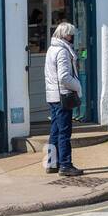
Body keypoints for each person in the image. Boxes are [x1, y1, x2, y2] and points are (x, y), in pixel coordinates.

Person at [44, 21, 83, 177]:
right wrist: (78, 86)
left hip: (52, 96)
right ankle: (65, 165)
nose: (72, 37)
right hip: (63, 96)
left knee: (55, 131)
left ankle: (52, 164)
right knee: (64, 133)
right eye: (71, 34)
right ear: (65, 35)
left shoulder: (51, 49)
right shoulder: (62, 51)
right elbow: (64, 77)